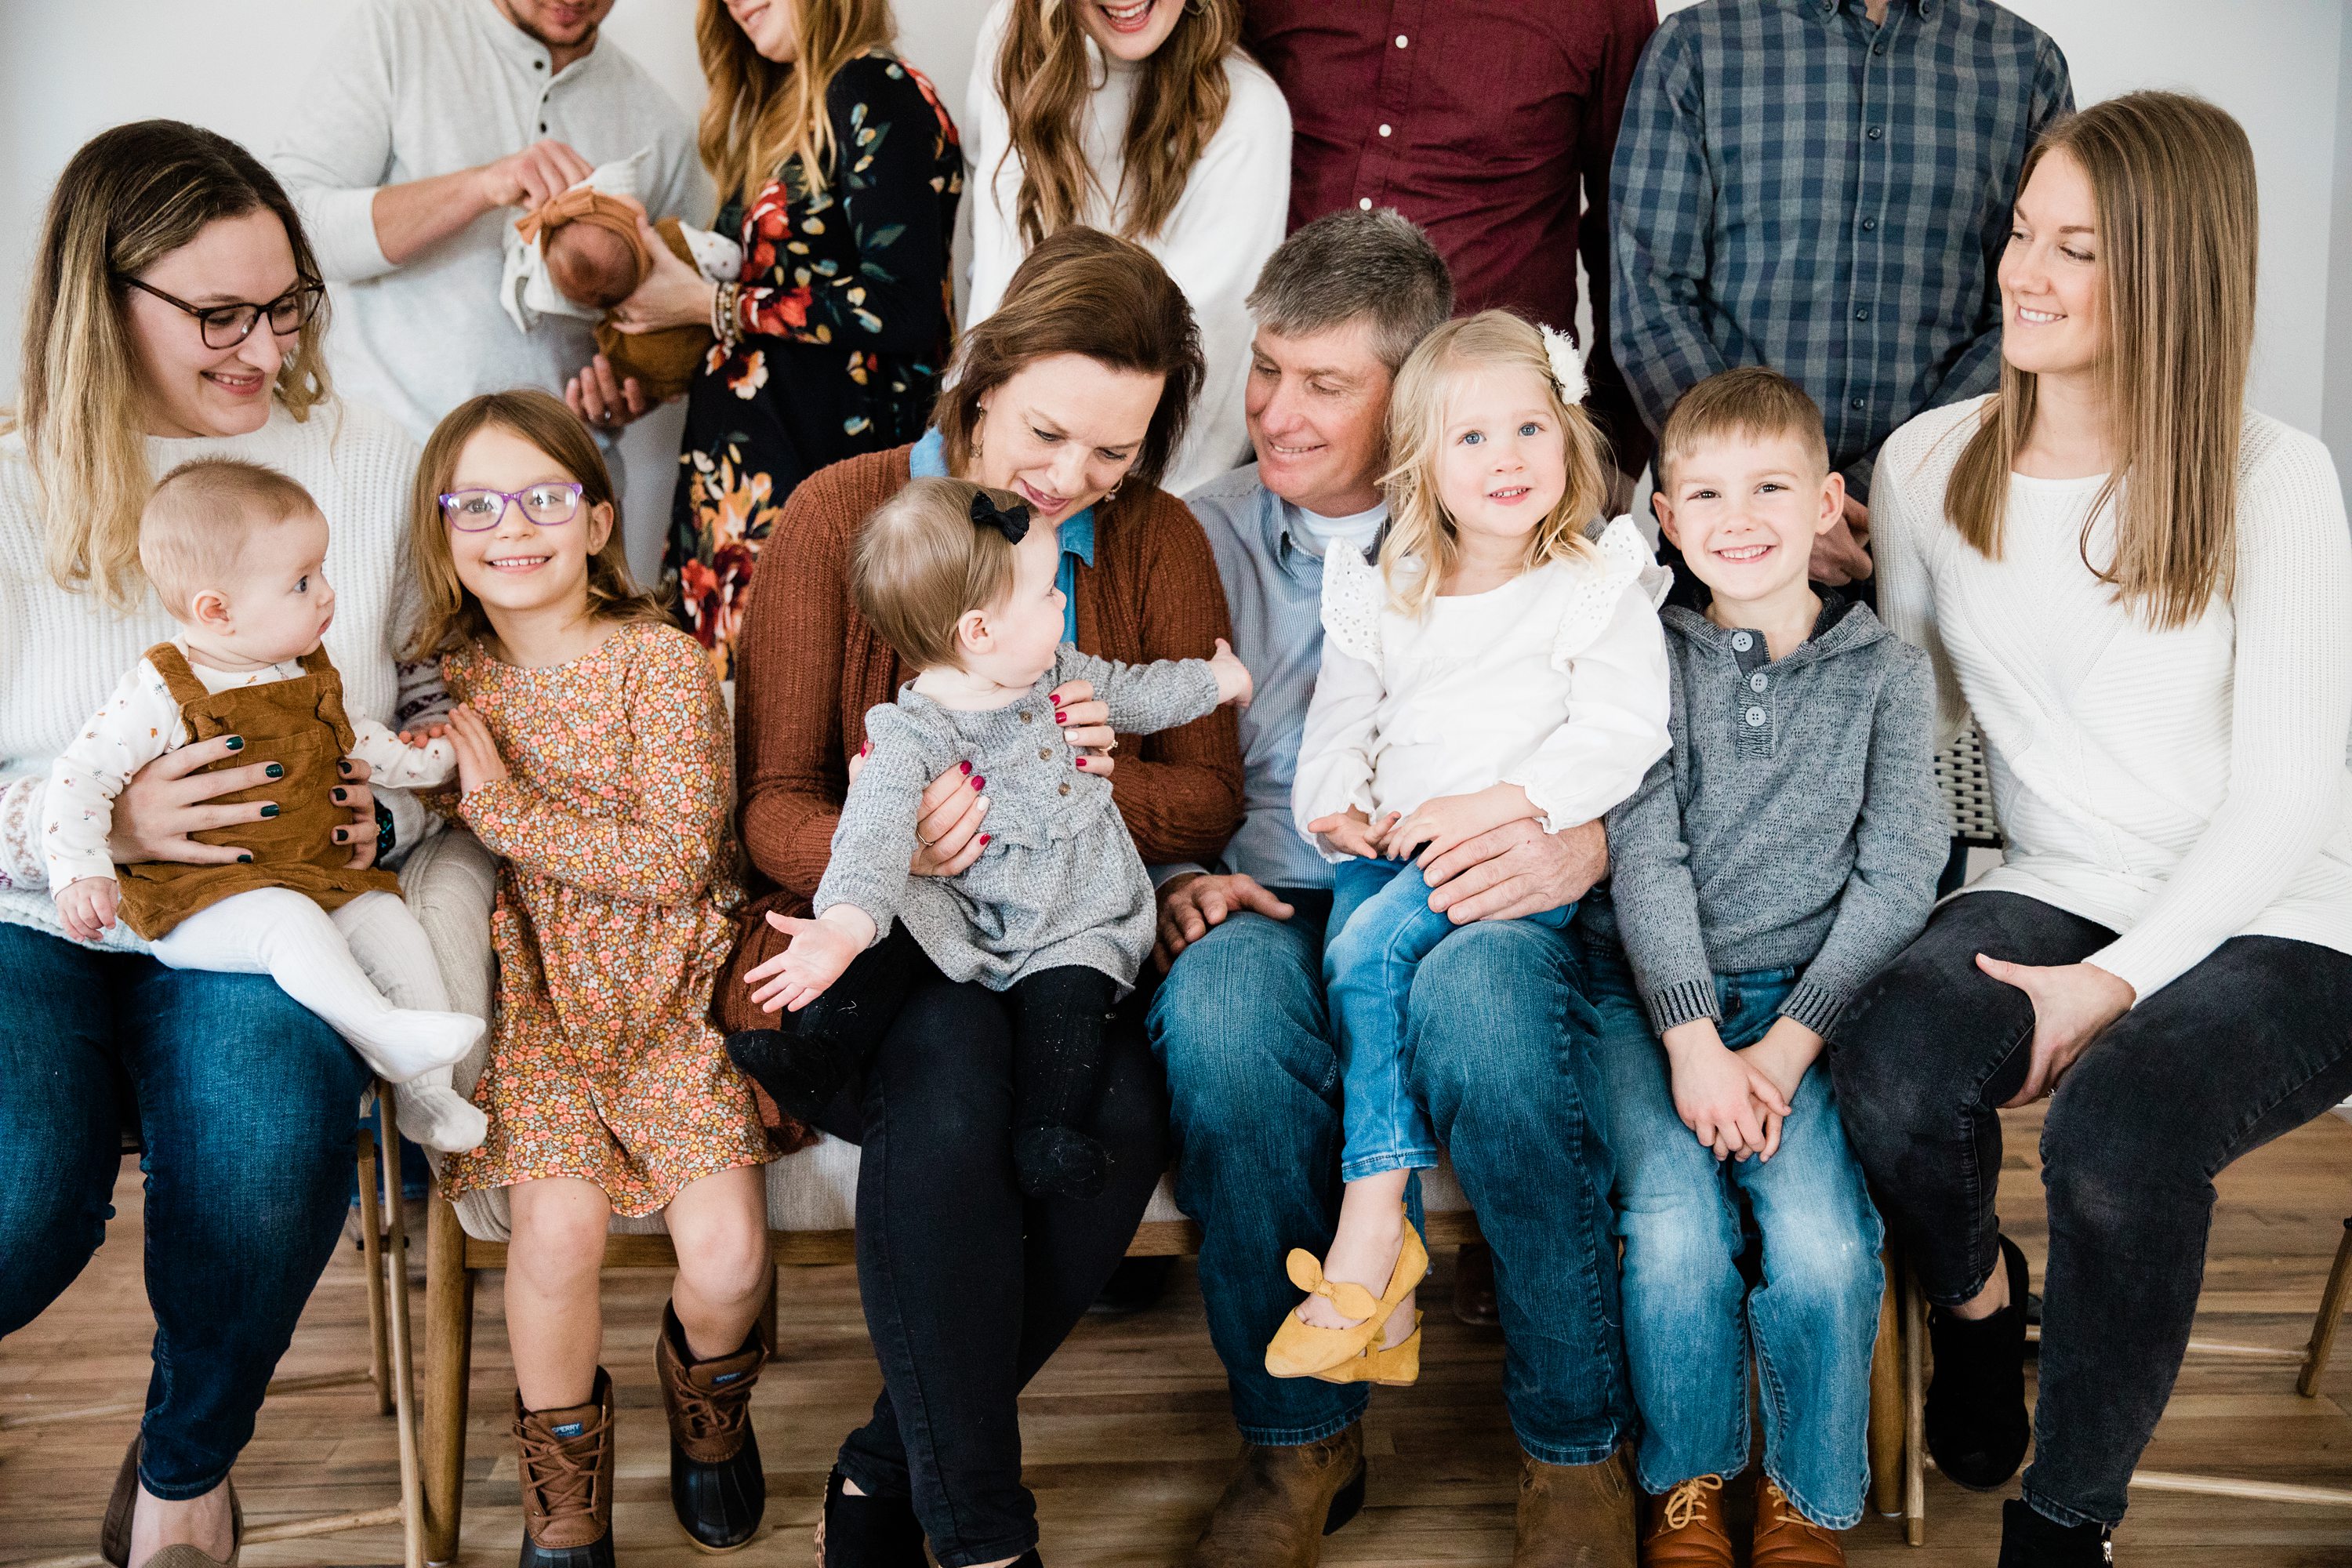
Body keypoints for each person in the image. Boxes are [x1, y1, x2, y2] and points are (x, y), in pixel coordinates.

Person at [1834, 93, 2352, 1567]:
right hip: (2061, 880)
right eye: (2021, 232)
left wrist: (2116, 984)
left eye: (2078, 249)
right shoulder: (1930, 467)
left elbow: (2284, 799)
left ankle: (2065, 1532)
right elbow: (1921, 736)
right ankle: (1983, 1312)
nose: (2024, 273)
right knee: (1889, 1066)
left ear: (2174, 273)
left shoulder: (2274, 478)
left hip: (2294, 910)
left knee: (2119, 1136)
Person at [0, 121, 486, 1568]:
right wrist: (85, 825)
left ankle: (184, 1470)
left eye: (287, 308)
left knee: (270, 1146)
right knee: (21, 1204)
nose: (267, 352)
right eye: (220, 316)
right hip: (36, 914)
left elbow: (438, 700)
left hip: (268, 901)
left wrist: (382, 810)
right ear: (106, 300)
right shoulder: (17, 484)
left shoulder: (366, 455)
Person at [720, 227, 1241, 1567]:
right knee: (951, 1095)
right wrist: (911, 853)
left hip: (1060, 958)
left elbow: (1208, 793)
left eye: (1113, 453)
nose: (1071, 481)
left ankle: (888, 1467)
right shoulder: (842, 514)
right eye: (1048, 435)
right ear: (984, 378)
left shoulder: (1157, 542)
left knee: (1114, 1117)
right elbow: (770, 802)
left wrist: (1077, 790)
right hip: (900, 960)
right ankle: (984, 1535)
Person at [1160, 209, 1639, 1568]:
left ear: (1416, 388)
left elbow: (1620, 722)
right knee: (1225, 1030)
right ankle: (1297, 1442)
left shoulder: (1527, 530)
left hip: (1474, 883)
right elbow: (1110, 741)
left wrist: (1576, 838)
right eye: (1265, 369)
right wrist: (1182, 877)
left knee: (1489, 1018)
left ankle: (1572, 1450)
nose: (1277, 413)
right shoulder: (1192, 534)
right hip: (1263, 888)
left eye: (1326, 384)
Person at [1581, 367, 1947, 1566]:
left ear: (1828, 502)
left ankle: (1805, 1491)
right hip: (1650, 1008)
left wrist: (1786, 1048)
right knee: (1679, 1230)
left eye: (1772, 487)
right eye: (1707, 495)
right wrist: (1695, 1041)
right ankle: (1690, 1478)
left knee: (1826, 1242)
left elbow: (1901, 876)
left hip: (1813, 1014)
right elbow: (1645, 854)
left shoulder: (1888, 676)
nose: (1740, 519)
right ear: (1669, 521)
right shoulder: (1647, 659)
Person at [1270, 311, 1669, 1391]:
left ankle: (1372, 1227)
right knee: (1358, 970)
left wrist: (1502, 802)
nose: (1508, 460)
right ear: (1423, 464)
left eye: (1531, 429)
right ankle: (1389, 1293)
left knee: (1365, 963)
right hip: (1388, 854)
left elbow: (1625, 733)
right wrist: (1333, 809)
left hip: (1502, 860)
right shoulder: (1387, 582)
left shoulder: (1594, 580)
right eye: (1473, 439)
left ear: (1571, 438)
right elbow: (1340, 725)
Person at [414, 390, 775, 1564]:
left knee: (726, 1260)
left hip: (674, 1001)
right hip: (540, 1008)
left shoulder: (662, 666)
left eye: (542, 498)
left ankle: (707, 1415)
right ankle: (564, 1492)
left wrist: (507, 812)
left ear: (599, 522)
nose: (509, 526)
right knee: (554, 1241)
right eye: (475, 503)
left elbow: (676, 865)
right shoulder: (448, 679)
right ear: (442, 529)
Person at [725, 477, 1250, 1199]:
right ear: (979, 631)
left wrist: (1216, 681)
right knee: (890, 936)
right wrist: (845, 924)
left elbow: (1140, 691)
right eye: (1045, 593)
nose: (1063, 602)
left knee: (1071, 1002)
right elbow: (871, 835)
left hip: (1073, 909)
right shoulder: (907, 729)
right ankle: (822, 1054)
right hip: (962, 907)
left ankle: (1047, 1132)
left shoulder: (1060, 675)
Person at [43, 459, 485, 1154]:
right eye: (303, 583)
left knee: (393, 924)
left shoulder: (305, 666)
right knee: (287, 921)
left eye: (323, 572)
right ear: (217, 610)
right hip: (204, 898)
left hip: (317, 869)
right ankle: (381, 1033)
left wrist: (428, 761)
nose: (328, 596)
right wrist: (80, 870)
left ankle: (428, 1098)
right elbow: (80, 778)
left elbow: (355, 739)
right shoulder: (162, 690)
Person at [1610, 0, 2072, 600]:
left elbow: (2032, 312)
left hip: (1944, 535)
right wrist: (1775, 503)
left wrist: (1881, 488)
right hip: (1731, 552)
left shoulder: (2024, 63)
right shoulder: (1697, 49)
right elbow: (1650, 295)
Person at [603, 0, 962, 681]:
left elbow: (904, 305)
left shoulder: (875, 90)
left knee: (795, 732)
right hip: (745, 486)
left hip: (813, 480)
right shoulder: (787, 108)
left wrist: (712, 305)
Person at [1240, 0, 1660, 493]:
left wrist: (1612, 455)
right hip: (1285, 421)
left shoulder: (1601, 9)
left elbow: (1635, 237)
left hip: (1491, 444)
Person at [271, 0, 707, 443]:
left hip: (561, 481)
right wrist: (480, 186)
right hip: (389, 460)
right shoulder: (397, 33)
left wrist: (635, 390)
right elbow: (292, 237)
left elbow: (676, 323)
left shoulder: (662, 128)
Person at [964, 0, 1291, 495]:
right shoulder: (1014, 40)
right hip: (989, 454)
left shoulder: (1248, 113)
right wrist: (973, 453)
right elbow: (994, 274)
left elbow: (1198, 386)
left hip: (1124, 492)